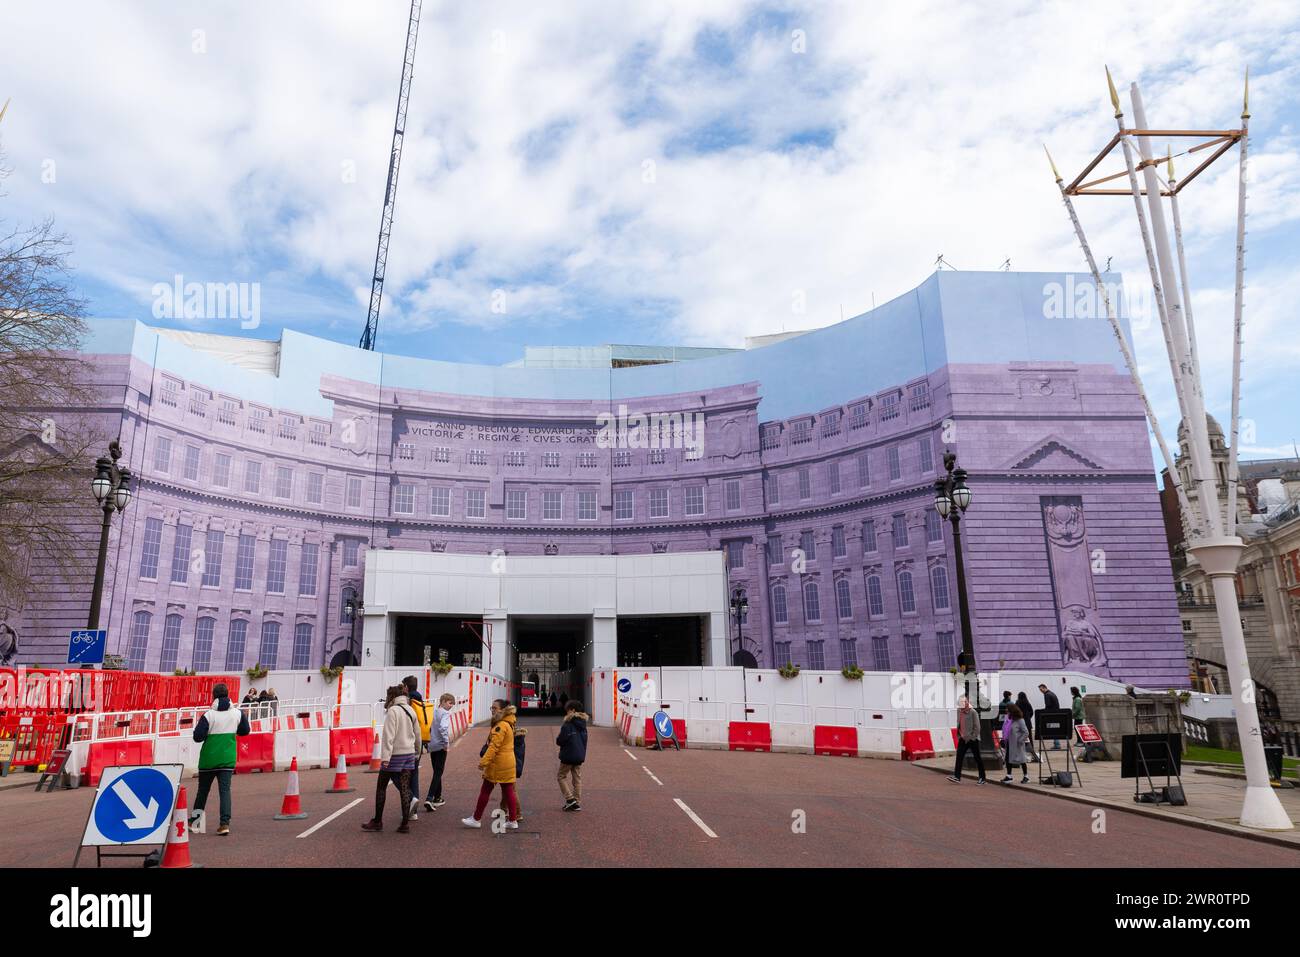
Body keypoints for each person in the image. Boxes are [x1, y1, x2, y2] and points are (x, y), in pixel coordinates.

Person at [191, 682, 251, 836]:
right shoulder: (237, 713)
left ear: (214, 696)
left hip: (208, 760)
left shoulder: (208, 715)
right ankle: (224, 824)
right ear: (228, 694)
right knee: (225, 791)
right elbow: (245, 731)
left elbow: (197, 737)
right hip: (227, 758)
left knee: (202, 792)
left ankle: (195, 823)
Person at [361, 684, 421, 834]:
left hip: (395, 755)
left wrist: (385, 758)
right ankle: (405, 824)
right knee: (405, 788)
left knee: (381, 786)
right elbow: (417, 733)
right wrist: (417, 752)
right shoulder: (410, 709)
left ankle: (378, 821)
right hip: (408, 754)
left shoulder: (393, 711)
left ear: (392, 696)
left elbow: (389, 736)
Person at [462, 699, 520, 831]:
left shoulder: (501, 726)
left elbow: (493, 746)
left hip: (498, 763)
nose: (493, 710)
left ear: (503, 710)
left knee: (486, 790)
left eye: (495, 708)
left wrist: (484, 762)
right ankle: (513, 820)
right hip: (508, 761)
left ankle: (476, 819)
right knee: (508, 791)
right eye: (492, 708)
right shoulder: (509, 723)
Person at [422, 693, 454, 811]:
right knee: (438, 772)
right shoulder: (445, 713)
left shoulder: (434, 712)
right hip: (440, 745)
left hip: (432, 744)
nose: (451, 706)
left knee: (436, 771)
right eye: (450, 703)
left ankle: (437, 798)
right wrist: (446, 744)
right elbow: (443, 728)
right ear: (444, 701)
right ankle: (429, 798)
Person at [408, 692, 436, 820]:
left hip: (411, 743)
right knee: (414, 774)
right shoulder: (420, 700)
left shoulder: (411, 702)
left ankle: (411, 801)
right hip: (421, 742)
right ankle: (414, 808)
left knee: (404, 775)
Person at [557, 699, 588, 810]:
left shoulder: (568, 724)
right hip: (579, 755)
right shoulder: (583, 724)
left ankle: (570, 799)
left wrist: (559, 741)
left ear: (572, 710)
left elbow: (561, 740)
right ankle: (576, 802)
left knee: (561, 776)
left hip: (568, 755)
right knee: (577, 779)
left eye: (568, 710)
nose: (567, 712)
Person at [947, 695, 986, 785]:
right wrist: (960, 735)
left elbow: (977, 727)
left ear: (966, 702)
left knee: (977, 758)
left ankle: (982, 778)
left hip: (972, 739)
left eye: (962, 703)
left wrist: (972, 737)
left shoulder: (973, 712)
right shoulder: (959, 711)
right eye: (959, 703)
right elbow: (959, 723)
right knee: (959, 757)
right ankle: (957, 776)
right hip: (963, 738)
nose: (961, 705)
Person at [1000, 704, 1031, 784]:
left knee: (1022, 759)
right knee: (1008, 759)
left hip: (1017, 744)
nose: (1006, 710)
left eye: (1008, 709)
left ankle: (1026, 776)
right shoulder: (1008, 718)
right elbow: (1004, 729)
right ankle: (1009, 775)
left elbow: (1026, 732)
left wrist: (1020, 741)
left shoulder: (1020, 720)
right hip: (1009, 742)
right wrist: (1003, 738)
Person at [1039, 683, 1062, 750]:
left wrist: (1045, 712)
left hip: (1052, 714)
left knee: (1053, 729)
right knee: (1055, 729)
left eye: (1041, 689)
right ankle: (1056, 744)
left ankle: (1057, 745)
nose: (1041, 691)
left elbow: (1048, 705)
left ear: (1044, 688)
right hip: (1056, 713)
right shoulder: (1052, 693)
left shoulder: (1047, 695)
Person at [1015, 691, 1036, 762]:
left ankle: (1021, 750)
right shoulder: (1027, 702)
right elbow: (1031, 711)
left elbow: (1015, 711)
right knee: (1029, 736)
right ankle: (1031, 749)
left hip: (1020, 722)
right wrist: (1028, 717)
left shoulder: (1017, 702)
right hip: (1027, 722)